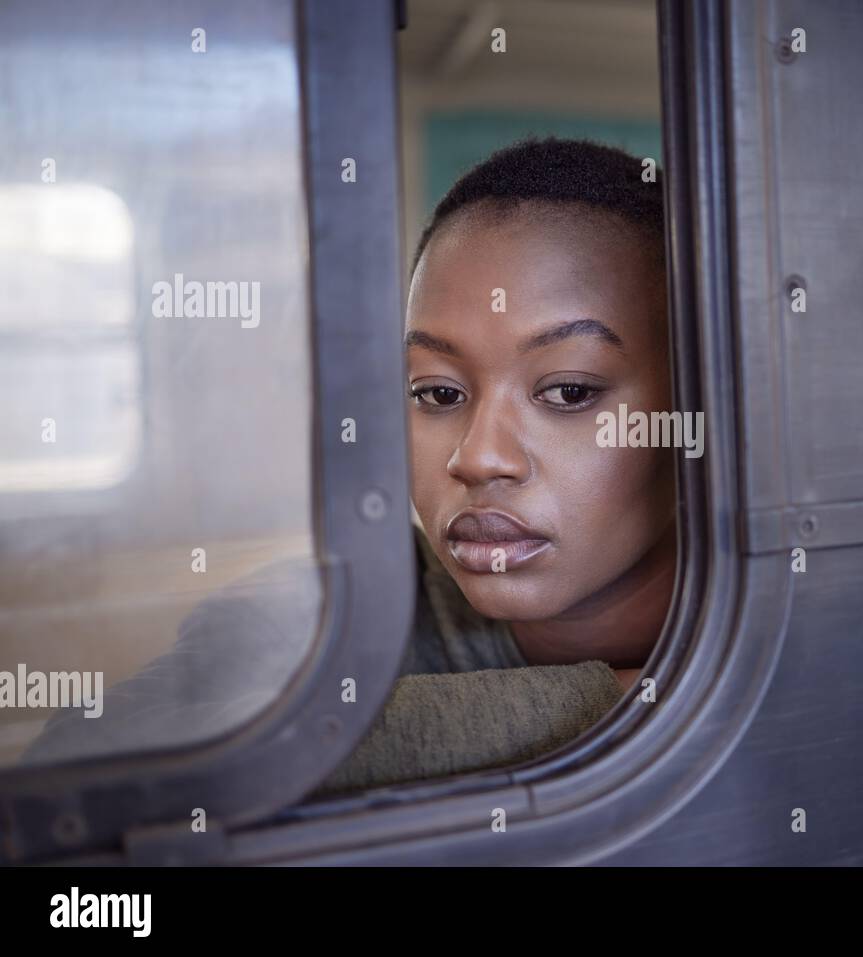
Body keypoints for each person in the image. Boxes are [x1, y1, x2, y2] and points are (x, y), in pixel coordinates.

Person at [21, 137, 678, 796]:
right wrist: (617, 702)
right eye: (439, 393)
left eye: (567, 391)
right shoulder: (329, 611)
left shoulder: (778, 625)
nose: (477, 457)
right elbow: (77, 769)